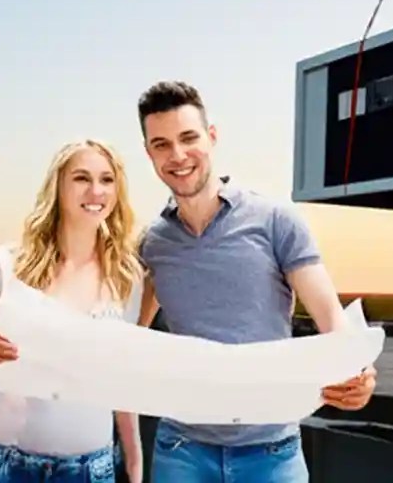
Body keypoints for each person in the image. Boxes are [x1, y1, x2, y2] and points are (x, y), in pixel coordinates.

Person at [134, 80, 377, 482]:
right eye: (161, 144)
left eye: (189, 138)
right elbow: (125, 335)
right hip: (182, 451)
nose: (177, 155)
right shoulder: (152, 244)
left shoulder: (276, 221)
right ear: (149, 153)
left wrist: (358, 370)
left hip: (272, 452)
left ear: (212, 137)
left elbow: (331, 318)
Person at [0, 139, 147, 482]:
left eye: (106, 179)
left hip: (91, 470)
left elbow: (121, 378)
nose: (96, 191)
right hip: (3, 466)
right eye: (81, 178)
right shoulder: (9, 263)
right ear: (58, 186)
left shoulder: (127, 276)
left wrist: (134, 464)